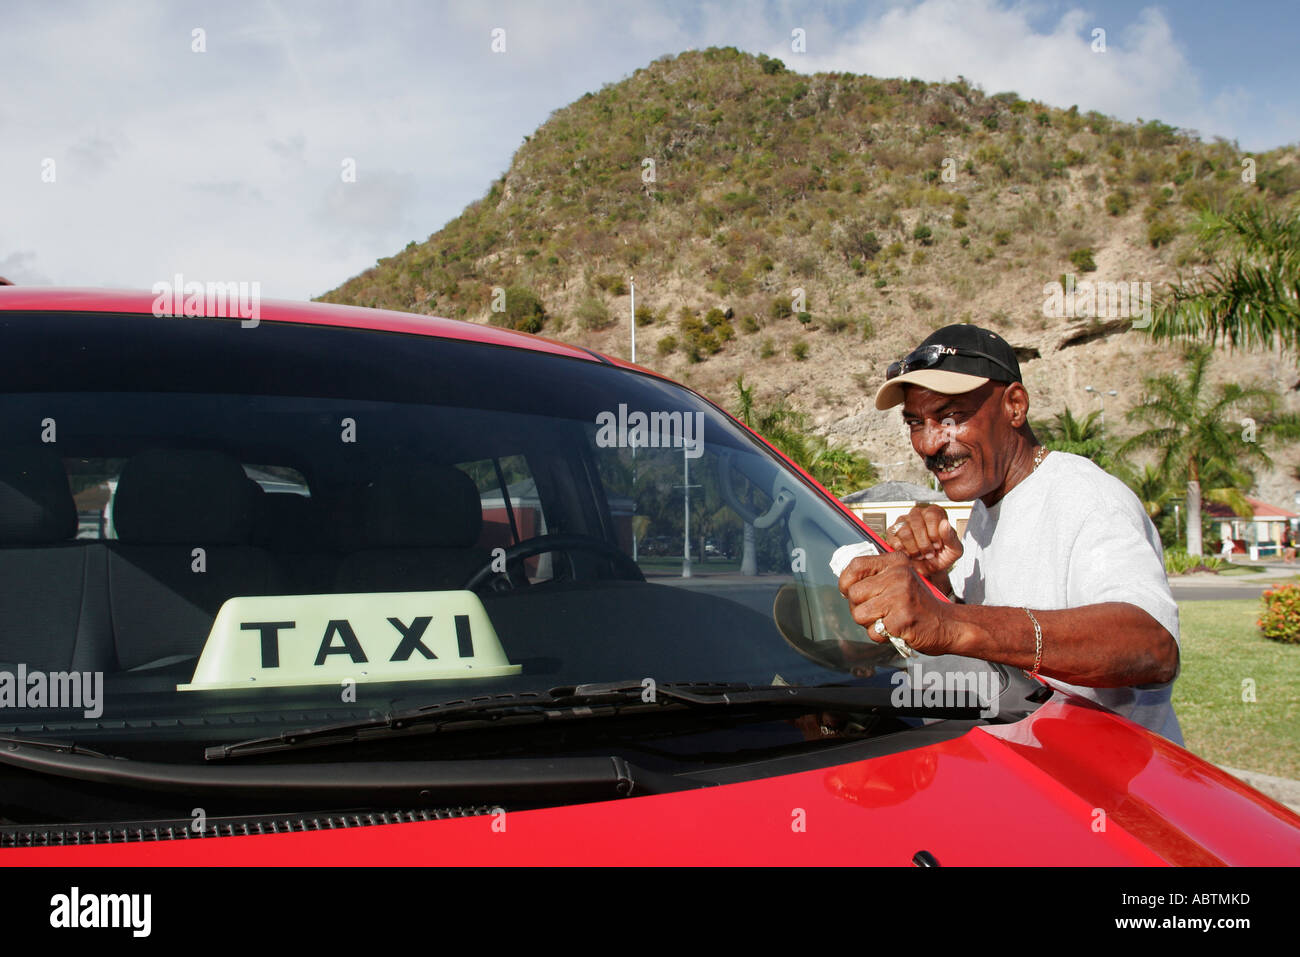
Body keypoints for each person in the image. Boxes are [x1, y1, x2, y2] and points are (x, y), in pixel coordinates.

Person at [838, 323, 1184, 744]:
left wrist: (952, 620)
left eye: (952, 417)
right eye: (916, 423)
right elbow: (997, 652)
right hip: (1029, 779)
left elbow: (1153, 646)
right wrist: (938, 585)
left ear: (1015, 406)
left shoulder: (1087, 497)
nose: (929, 444)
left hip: (1109, 791)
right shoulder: (986, 507)